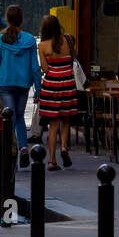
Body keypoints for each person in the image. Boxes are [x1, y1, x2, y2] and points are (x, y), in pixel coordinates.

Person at [0, 5, 41, 168]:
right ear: (21, 19)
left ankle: (10, 152)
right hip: (23, 84)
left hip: (4, 83)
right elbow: (34, 67)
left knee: (8, 119)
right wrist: (38, 89)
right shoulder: (30, 40)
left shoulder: (1, 39)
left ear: (7, 19)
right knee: (18, 117)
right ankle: (24, 148)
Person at [37, 14, 77, 170]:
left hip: (51, 86)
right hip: (68, 83)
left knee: (53, 125)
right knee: (65, 120)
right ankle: (64, 146)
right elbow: (74, 57)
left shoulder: (42, 46)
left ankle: (52, 161)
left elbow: (45, 68)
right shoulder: (67, 40)